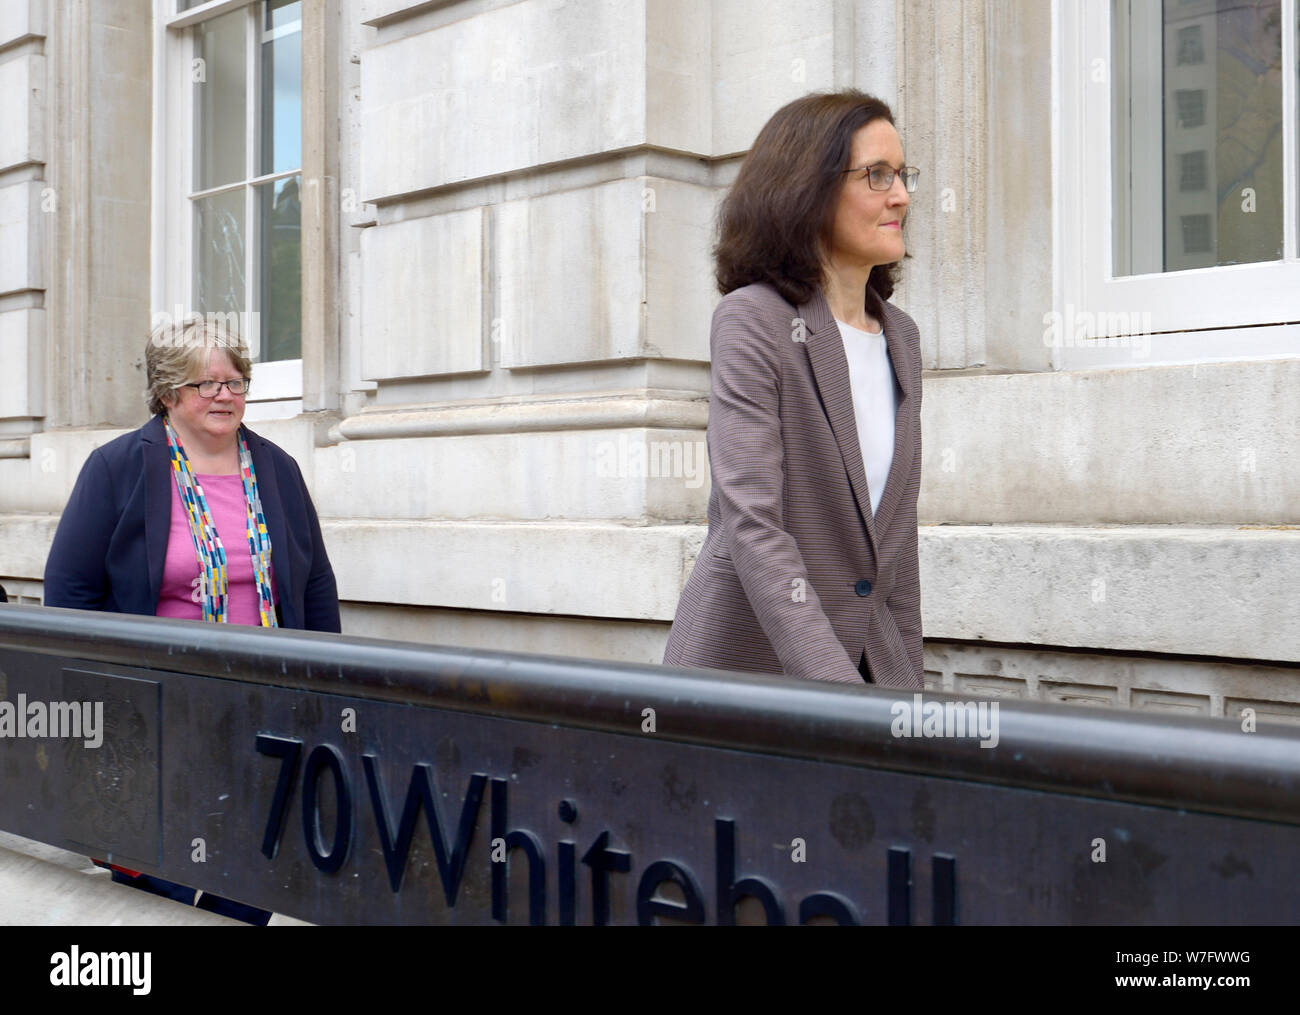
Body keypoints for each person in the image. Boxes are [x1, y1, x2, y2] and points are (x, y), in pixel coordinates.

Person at [43, 315, 342, 922]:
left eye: (235, 382)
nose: (224, 395)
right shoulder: (118, 467)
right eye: (205, 384)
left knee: (252, 873)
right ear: (167, 392)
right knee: (159, 882)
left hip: (263, 709)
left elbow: (314, 583)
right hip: (156, 713)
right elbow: (70, 590)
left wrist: (328, 688)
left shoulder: (277, 469)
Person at [663, 90, 924, 689]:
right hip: (746, 674)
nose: (902, 196)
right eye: (876, 175)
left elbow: (898, 544)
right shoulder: (753, 320)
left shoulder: (901, 338)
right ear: (809, 190)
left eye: (903, 175)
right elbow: (753, 522)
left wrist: (906, 692)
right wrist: (840, 696)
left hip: (868, 673)